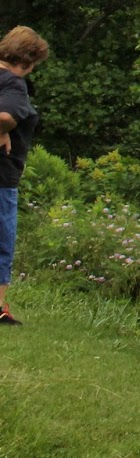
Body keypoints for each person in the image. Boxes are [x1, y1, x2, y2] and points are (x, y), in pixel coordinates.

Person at [0, 25, 49, 325]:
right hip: (2, 176)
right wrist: (2, 128)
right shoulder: (14, 84)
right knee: (1, 243)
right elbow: (7, 115)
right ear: (29, 60)